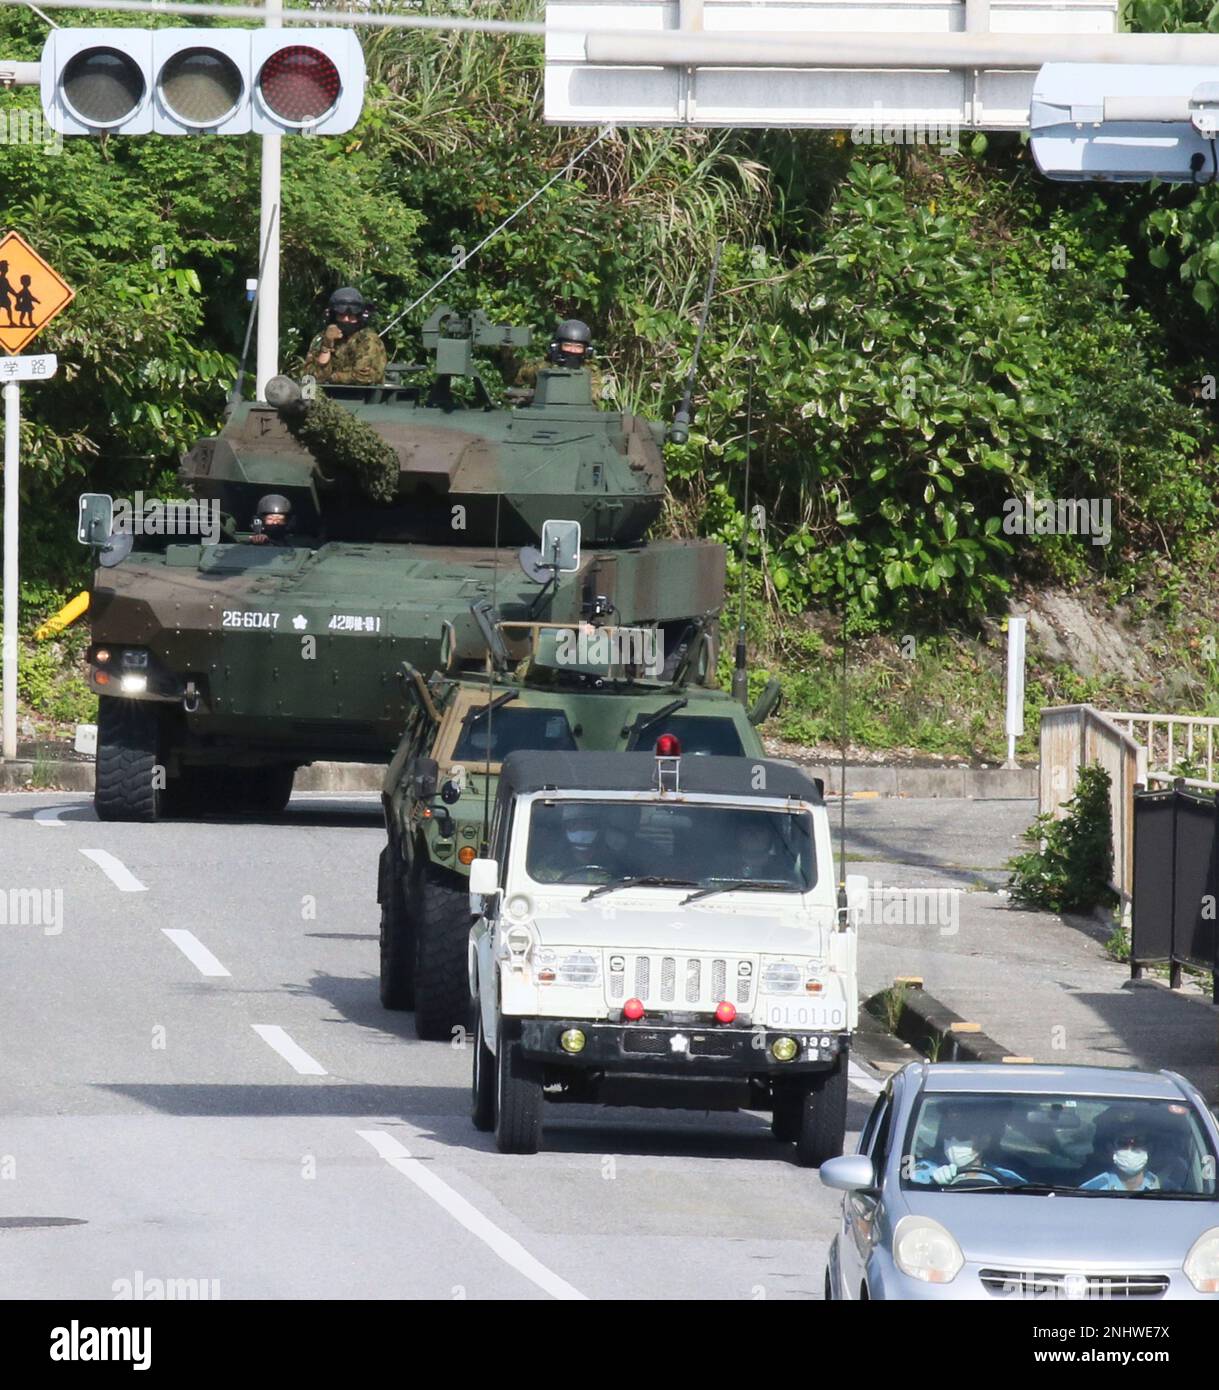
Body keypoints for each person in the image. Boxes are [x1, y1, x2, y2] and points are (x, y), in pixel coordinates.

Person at [911, 1104, 1026, 1187]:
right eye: (949, 1133)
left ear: (985, 1140)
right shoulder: (926, 1168)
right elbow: (907, 1187)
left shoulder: (1007, 1177)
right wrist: (932, 1184)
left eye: (962, 1135)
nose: (953, 1140)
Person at [302, 288, 387, 385]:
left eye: (351, 316)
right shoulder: (322, 338)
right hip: (326, 396)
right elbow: (310, 377)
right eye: (341, 315)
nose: (346, 320)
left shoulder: (368, 339)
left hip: (361, 397)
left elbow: (365, 376)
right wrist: (326, 346)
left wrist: (334, 377)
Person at [529, 805, 619, 884]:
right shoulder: (549, 865)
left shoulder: (614, 862)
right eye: (574, 825)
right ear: (565, 829)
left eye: (588, 824)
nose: (581, 831)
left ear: (599, 827)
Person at [1080, 1111, 1161, 1192]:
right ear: (1110, 1148)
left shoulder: (1167, 1189)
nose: (1130, 1149)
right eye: (1123, 1143)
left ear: (1150, 1147)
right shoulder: (1090, 1191)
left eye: (1138, 1142)